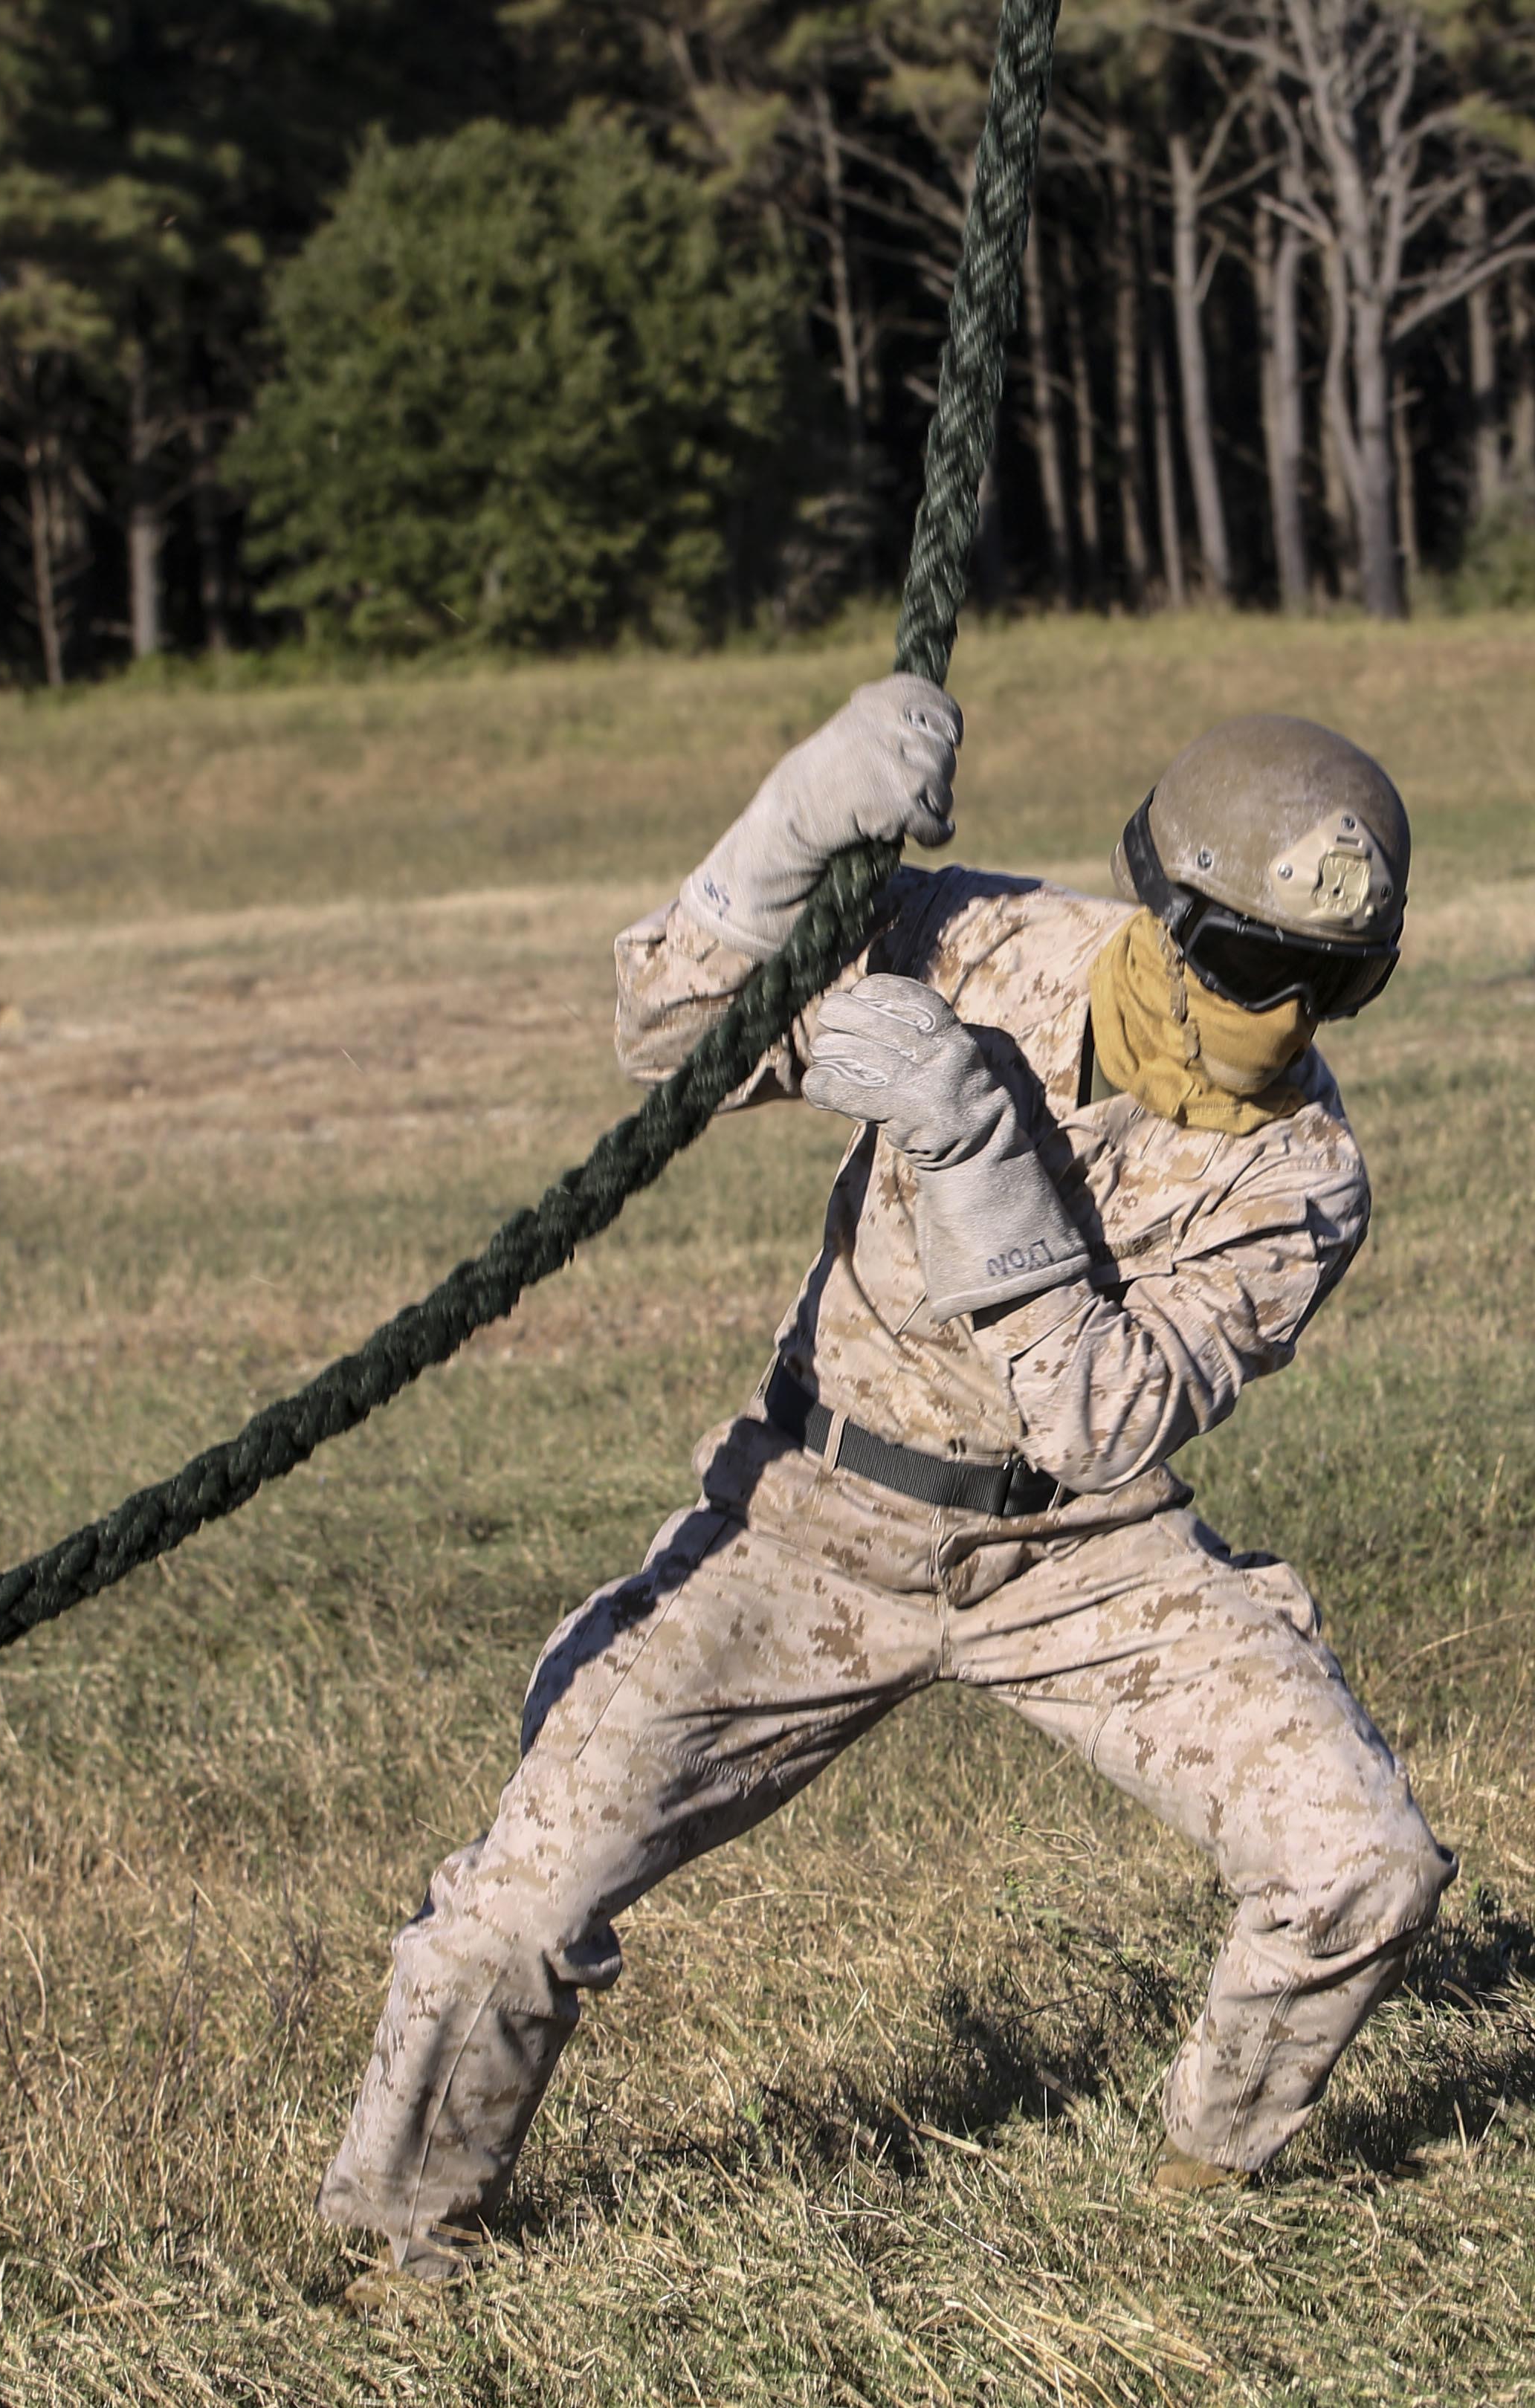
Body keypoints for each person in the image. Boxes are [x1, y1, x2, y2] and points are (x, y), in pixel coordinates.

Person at [318, 677, 1454, 2296]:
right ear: (1168, 909)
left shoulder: (1304, 1179)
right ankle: (385, 2246)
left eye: (1339, 982)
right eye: (1254, 962)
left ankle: (1209, 2186)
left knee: (1362, 1865)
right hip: (811, 1521)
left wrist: (972, 1141)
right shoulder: (979, 943)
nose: (1287, 1017)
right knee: (508, 1915)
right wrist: (784, 830)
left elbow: (1097, 1421)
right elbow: (669, 1037)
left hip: (1084, 1555)